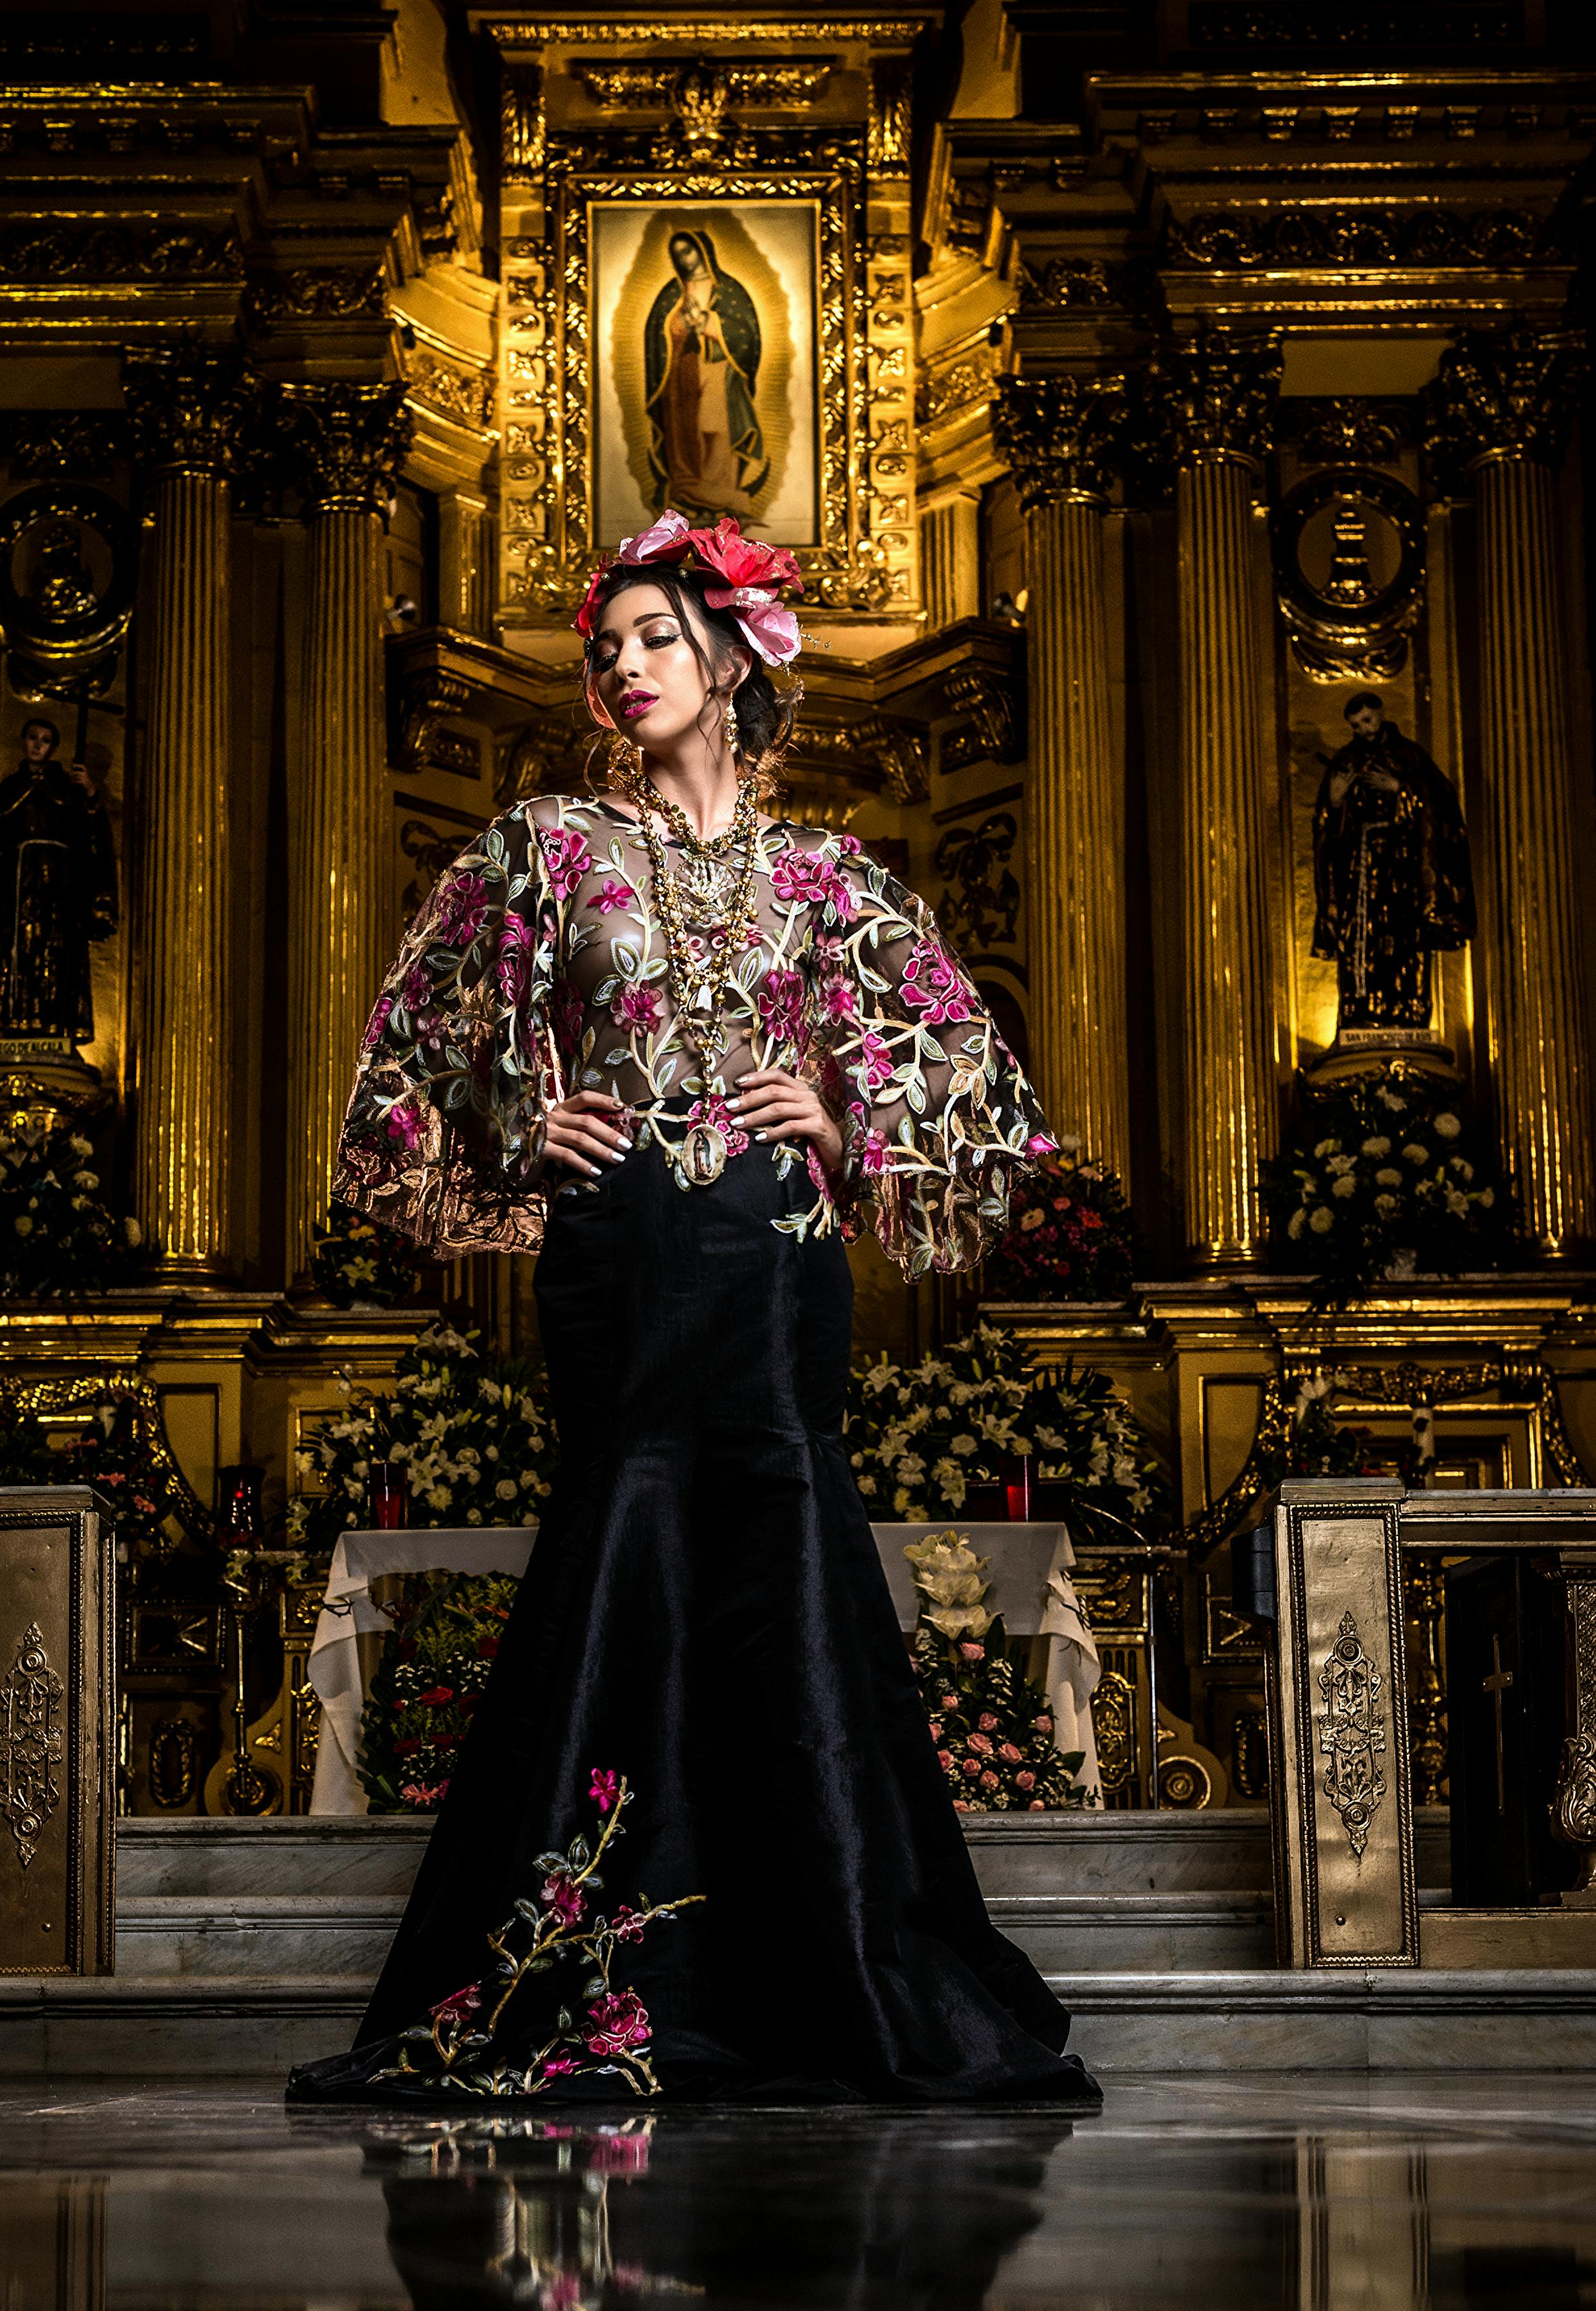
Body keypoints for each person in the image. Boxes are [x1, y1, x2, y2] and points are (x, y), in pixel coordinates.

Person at [289, 508, 1098, 2111]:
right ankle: (600, 1973)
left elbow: (977, 1090)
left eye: (656, 637)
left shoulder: (828, 875)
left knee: (787, 1551)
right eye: (608, 648)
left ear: (731, 658)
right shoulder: (539, 851)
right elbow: (399, 1077)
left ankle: (834, 1972)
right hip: (624, 1271)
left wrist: (844, 1118)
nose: (623, 664)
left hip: (777, 1272)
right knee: (627, 1538)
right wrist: (524, 1148)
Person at [1312, 690, 1475, 1031]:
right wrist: (1336, 801)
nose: (1363, 732)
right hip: (1359, 868)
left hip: (1403, 868)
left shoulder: (1411, 756)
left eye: (1368, 721)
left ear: (1381, 714)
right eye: (1356, 726)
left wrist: (1401, 789)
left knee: (1404, 940)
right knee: (1362, 939)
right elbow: (1328, 830)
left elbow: (1443, 807)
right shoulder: (1347, 759)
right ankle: (1361, 1011)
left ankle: (1408, 1010)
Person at [0, 716, 117, 1041]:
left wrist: (90, 794)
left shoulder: (67, 790)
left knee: (55, 954)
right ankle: (8, 1022)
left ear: (54, 747)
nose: (38, 745)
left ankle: (53, 1024)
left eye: (45, 740)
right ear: (23, 741)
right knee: (15, 954)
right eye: (32, 737)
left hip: (58, 891)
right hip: (15, 890)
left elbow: (91, 837)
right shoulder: (8, 790)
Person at [643, 228, 768, 516]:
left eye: (688, 251)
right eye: (678, 255)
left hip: (718, 371)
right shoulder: (672, 293)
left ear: (703, 251)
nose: (685, 260)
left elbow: (746, 333)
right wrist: (680, 326)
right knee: (685, 431)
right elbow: (656, 334)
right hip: (681, 373)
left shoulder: (729, 290)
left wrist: (709, 323)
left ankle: (721, 493)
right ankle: (686, 488)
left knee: (717, 430)